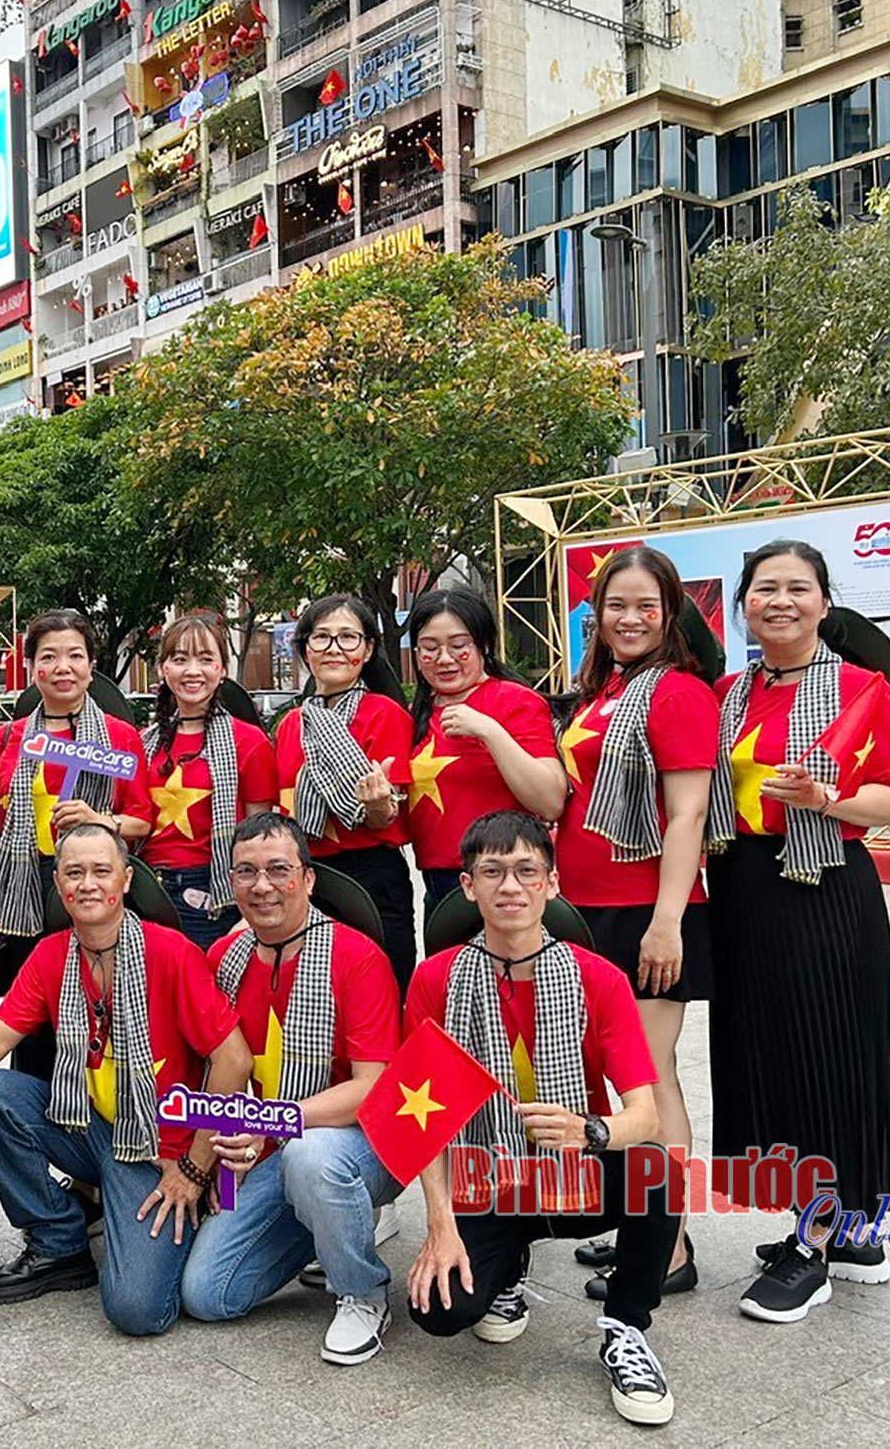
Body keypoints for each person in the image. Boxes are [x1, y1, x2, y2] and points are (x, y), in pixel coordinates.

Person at [705, 540, 890, 1324]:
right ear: (744, 605)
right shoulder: (727, 694)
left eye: (799, 588)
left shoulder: (862, 690)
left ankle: (816, 1244)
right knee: (771, 1055)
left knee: (827, 1054)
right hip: (743, 890)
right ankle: (852, 1228)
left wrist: (828, 799)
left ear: (825, 603)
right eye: (766, 589)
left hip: (823, 888)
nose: (782, 602)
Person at [403, 811, 680, 1427]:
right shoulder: (435, 980)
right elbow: (421, 1120)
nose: (511, 886)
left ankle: (627, 1327)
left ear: (551, 883)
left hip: (575, 1172)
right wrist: (440, 1224)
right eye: (492, 872)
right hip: (487, 1177)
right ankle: (508, 1265)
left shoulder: (597, 978)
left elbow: (646, 1115)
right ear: (467, 886)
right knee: (438, 1313)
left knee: (658, 1173)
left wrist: (592, 1131)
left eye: (527, 870)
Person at [0, 823, 253, 1337]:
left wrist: (195, 1168)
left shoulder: (170, 952)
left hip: (157, 1147)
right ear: (58, 883)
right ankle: (59, 1244)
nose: (87, 884)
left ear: (125, 880)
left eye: (101, 871)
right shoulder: (51, 954)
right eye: (74, 872)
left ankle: (158, 1221)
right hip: (87, 1124)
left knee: (137, 1311)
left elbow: (234, 1061)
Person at [179, 813, 402, 1365]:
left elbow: (372, 1088)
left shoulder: (357, 957)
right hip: (261, 1153)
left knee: (311, 1155)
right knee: (208, 1294)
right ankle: (329, 1225)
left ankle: (363, 1291)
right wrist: (217, 1167)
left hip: (354, 1145)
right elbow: (219, 1077)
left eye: (278, 869)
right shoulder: (224, 958)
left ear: (307, 878)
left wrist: (268, 1123)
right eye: (246, 872)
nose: (262, 886)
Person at [557, 547, 716, 1301]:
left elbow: (688, 812)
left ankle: (669, 1247)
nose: (629, 618)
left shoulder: (677, 693)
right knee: (621, 1074)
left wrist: (666, 922)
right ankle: (641, 1225)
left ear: (669, 611)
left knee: (650, 1076)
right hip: (589, 910)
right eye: (614, 605)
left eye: (645, 605)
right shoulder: (605, 691)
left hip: (645, 912)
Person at [0, 610, 156, 1006]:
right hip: (21, 890)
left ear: (91, 665)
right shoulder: (6, 739)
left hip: (91, 889)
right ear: (31, 666)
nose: (62, 668)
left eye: (75, 655)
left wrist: (98, 820)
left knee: (94, 1000)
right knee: (30, 1005)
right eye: (49, 657)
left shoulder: (120, 737)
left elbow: (142, 821)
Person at [271, 595, 416, 984]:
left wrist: (377, 804)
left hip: (372, 877)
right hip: (306, 877)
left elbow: (385, 817)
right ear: (305, 650)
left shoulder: (386, 715)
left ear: (367, 650)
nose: (334, 648)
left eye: (348, 637)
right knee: (313, 989)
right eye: (321, 637)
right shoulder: (290, 726)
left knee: (384, 987)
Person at [401, 589, 565, 927]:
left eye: (458, 645)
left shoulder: (516, 701)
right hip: (438, 885)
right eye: (430, 648)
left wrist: (490, 732)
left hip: (505, 881)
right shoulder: (415, 714)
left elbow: (550, 801)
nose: (444, 659)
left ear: (484, 645)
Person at [140, 612, 277, 948]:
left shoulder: (249, 742)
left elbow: (258, 835)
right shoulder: (143, 743)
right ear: (163, 669)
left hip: (213, 894)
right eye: (179, 659)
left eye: (205, 659)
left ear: (222, 669)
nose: (192, 671)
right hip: (146, 889)